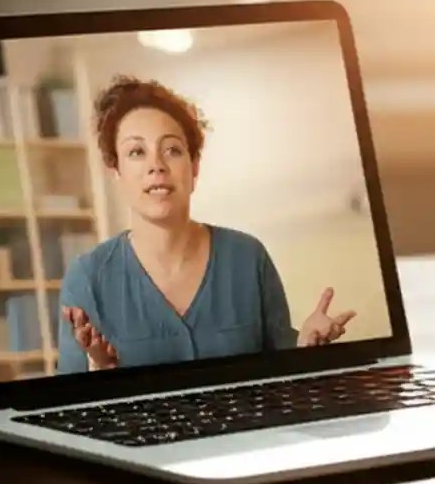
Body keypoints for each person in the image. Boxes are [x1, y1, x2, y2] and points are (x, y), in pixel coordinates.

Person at [56, 75, 355, 374]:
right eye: (136, 152)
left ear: (194, 167)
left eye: (172, 149)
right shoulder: (88, 278)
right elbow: (66, 408)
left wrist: (307, 349)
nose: (156, 165)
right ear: (116, 172)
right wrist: (100, 371)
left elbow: (285, 376)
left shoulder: (248, 258)